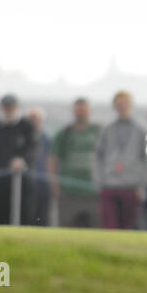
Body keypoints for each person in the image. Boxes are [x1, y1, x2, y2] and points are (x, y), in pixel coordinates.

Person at [94, 91, 147, 230]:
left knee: (130, 227)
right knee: (109, 226)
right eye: (119, 104)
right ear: (114, 106)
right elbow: (97, 156)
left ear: (132, 105)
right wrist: (99, 181)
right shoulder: (105, 129)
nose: (122, 107)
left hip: (132, 187)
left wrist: (143, 184)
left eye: (125, 104)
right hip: (109, 185)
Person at [0, 94, 37, 225]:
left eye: (11, 107)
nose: (8, 110)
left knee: (23, 214)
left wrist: (22, 160)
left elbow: (33, 148)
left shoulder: (27, 126)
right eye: (6, 107)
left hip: (21, 180)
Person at [51, 98, 100, 229]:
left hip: (94, 192)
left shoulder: (99, 131)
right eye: (78, 110)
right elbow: (53, 159)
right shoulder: (64, 133)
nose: (81, 113)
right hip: (69, 191)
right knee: (67, 228)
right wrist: (55, 185)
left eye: (84, 110)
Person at [26, 107, 52, 227]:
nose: (34, 121)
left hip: (43, 183)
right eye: (31, 119)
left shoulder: (47, 139)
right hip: (26, 182)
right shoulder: (24, 137)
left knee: (42, 215)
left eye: (36, 119)